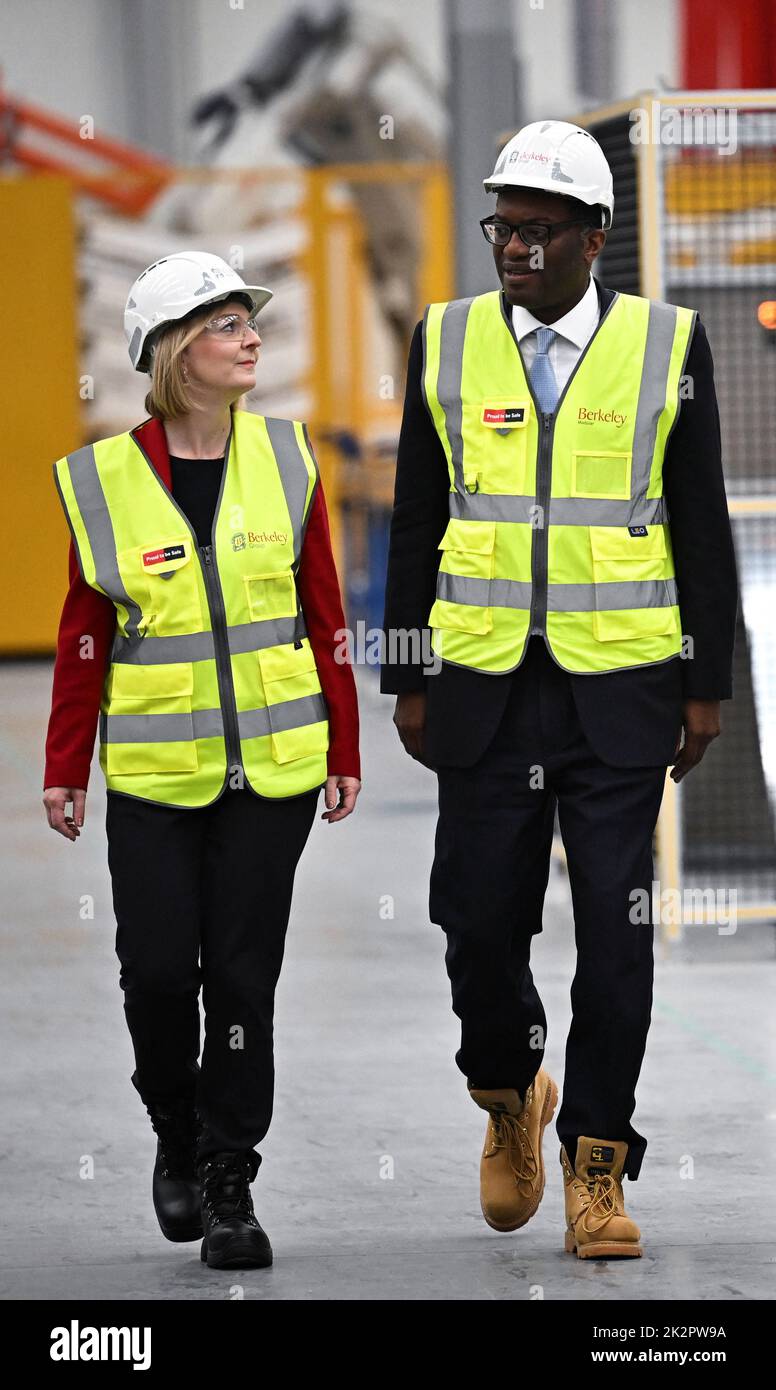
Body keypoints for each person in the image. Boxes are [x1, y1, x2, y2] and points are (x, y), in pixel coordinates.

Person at [380, 121, 738, 1258]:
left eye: (537, 232)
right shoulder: (442, 342)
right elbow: (414, 516)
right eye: (502, 228)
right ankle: (505, 1094)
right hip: (482, 690)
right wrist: (404, 669)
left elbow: (698, 523)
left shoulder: (666, 345)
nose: (513, 250)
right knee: (476, 922)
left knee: (616, 938)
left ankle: (597, 1169)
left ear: (595, 239)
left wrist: (704, 685)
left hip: (620, 696)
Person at [43, 251, 361, 1270]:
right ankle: (173, 1132)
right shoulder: (103, 478)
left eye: (248, 322)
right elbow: (84, 631)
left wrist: (342, 740)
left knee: (240, 978)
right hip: (151, 773)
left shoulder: (288, 456)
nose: (250, 338)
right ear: (177, 350)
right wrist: (63, 762)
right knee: (152, 975)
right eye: (227, 325)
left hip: (274, 770)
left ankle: (227, 1180)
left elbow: (323, 613)